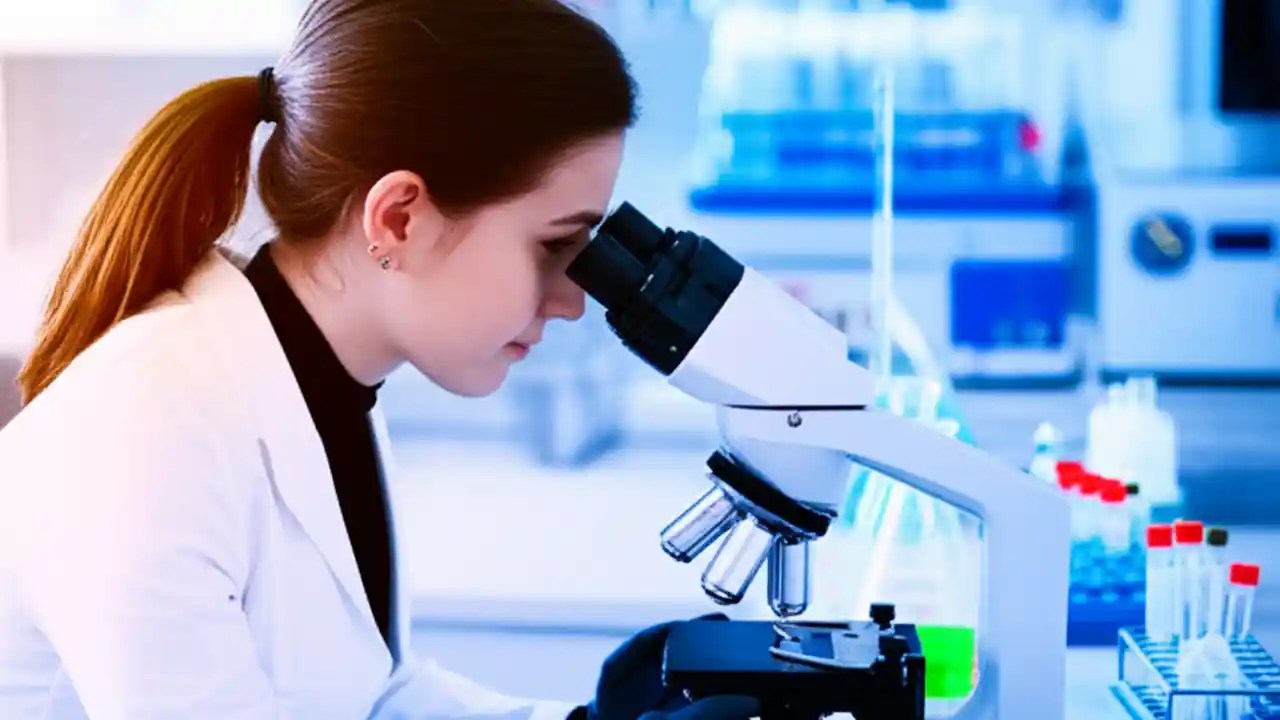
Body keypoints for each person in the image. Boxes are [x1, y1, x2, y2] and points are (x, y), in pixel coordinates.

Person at [0, 1, 762, 718]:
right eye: (555, 245)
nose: (573, 300)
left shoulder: (318, 385)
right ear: (399, 217)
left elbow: (373, 695)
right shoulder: (145, 433)